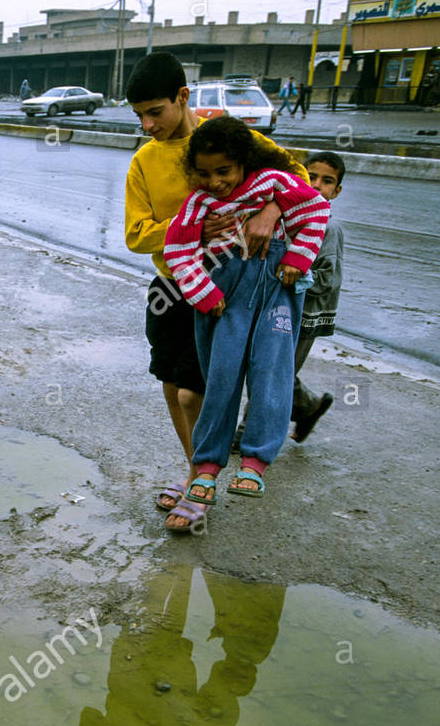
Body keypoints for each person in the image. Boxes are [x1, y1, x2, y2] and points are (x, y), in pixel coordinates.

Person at [124, 51, 307, 517]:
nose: (147, 125)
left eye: (155, 112)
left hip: (229, 289)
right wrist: (184, 230)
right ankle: (195, 471)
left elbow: (298, 179)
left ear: (182, 97)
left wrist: (270, 210)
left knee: (197, 390)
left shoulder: (229, 137)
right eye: (139, 115)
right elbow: (135, 234)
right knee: (171, 385)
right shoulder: (144, 161)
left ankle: (198, 481)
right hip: (170, 287)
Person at [160, 117, 330, 533]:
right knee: (220, 378)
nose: (214, 181)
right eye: (203, 173)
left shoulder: (274, 183)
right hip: (224, 297)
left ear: (243, 164)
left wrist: (296, 259)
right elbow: (178, 250)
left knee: (272, 372)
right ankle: (205, 469)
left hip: (276, 289)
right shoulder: (197, 205)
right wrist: (204, 293)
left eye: (224, 171)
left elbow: (316, 211)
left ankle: (255, 462)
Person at [292, 151, 346, 443]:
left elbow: (327, 278)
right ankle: (308, 406)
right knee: (269, 370)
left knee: (278, 374)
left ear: (336, 192)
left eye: (327, 181)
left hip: (307, 314)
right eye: (311, 176)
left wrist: (291, 275)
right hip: (283, 309)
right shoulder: (290, 217)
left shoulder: (329, 229)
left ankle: (247, 432)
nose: (316, 185)